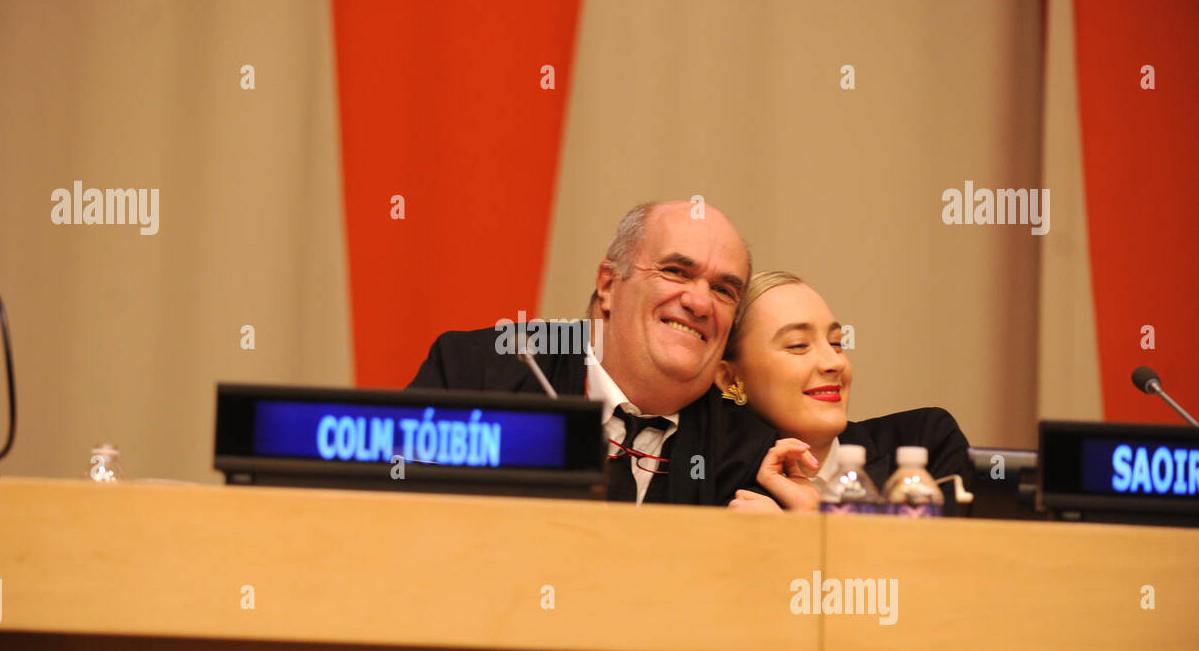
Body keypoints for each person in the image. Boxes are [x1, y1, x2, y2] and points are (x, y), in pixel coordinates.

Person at [408, 200, 778, 505]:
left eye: (724, 291)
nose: (700, 303)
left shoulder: (747, 454)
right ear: (608, 286)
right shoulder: (477, 377)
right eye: (676, 271)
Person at [715, 270, 970, 512]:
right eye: (798, 345)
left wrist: (806, 529)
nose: (834, 363)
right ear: (729, 377)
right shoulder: (719, 487)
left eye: (836, 343)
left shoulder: (925, 444)